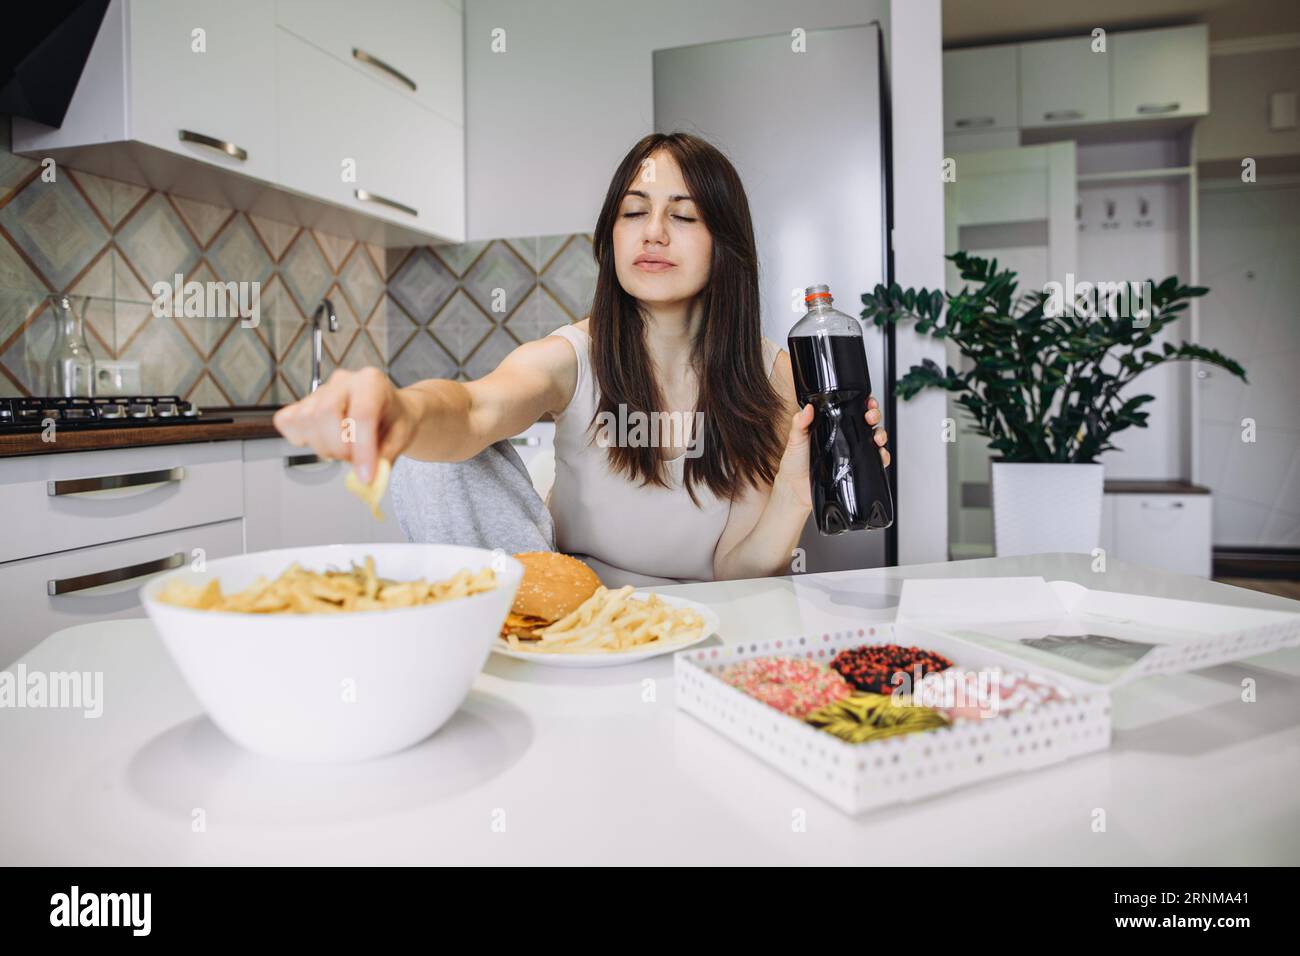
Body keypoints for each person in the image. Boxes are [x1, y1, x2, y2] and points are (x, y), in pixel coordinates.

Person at [273, 132, 890, 586]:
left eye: (682, 215)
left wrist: (794, 494)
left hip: (700, 617)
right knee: (433, 459)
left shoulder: (774, 377)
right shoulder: (571, 357)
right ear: (611, 238)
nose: (652, 232)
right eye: (632, 213)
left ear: (725, 245)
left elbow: (737, 567)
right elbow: (474, 408)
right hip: (565, 601)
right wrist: (399, 412)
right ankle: (512, 632)